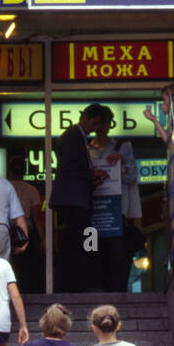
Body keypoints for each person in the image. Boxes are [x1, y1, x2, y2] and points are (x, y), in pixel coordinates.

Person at [84, 103, 144, 292]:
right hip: (93, 215)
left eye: (105, 124)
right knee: (92, 253)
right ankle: (95, 290)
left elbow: (132, 176)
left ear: (110, 124)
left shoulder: (122, 147)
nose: (101, 128)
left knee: (117, 257)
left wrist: (123, 162)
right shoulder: (86, 149)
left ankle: (118, 294)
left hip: (116, 214)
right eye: (98, 124)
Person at [50, 108, 109, 292]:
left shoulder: (76, 135)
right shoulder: (73, 136)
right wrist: (92, 174)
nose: (96, 128)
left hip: (76, 198)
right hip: (73, 200)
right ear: (85, 118)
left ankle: (77, 280)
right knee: (78, 241)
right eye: (94, 123)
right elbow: (69, 165)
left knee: (78, 240)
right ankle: (76, 281)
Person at [7, 153, 46, 291]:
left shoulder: (5, 187)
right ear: (25, 172)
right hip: (25, 231)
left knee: (9, 264)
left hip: (7, 229)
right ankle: (26, 290)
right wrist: (42, 239)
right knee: (27, 266)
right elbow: (36, 218)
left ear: (9, 171)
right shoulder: (31, 190)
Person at [143, 82, 174, 148]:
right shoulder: (173, 117)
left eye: (165, 99)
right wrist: (154, 120)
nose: (164, 103)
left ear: (172, 98)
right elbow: (168, 140)